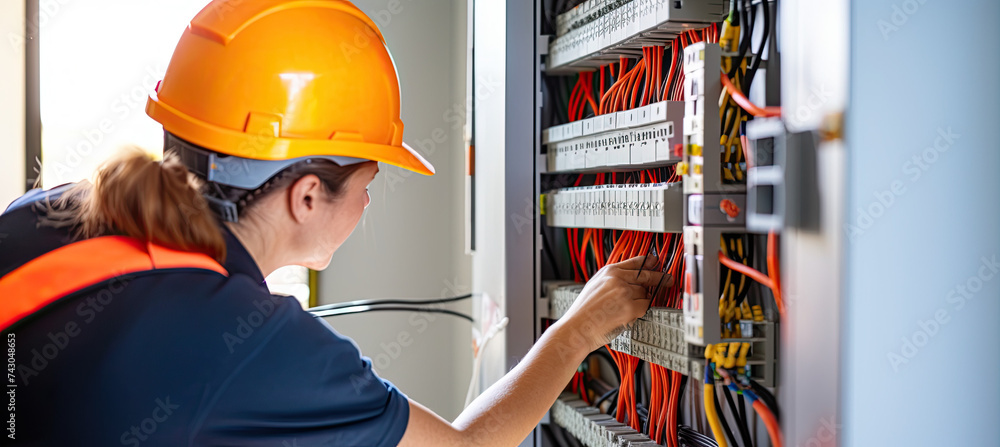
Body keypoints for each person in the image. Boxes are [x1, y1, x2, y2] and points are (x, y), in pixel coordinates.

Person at [0, 1, 670, 445]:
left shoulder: (43, 215)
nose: (370, 204)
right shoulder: (262, 344)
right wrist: (582, 325)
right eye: (369, 183)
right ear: (309, 195)